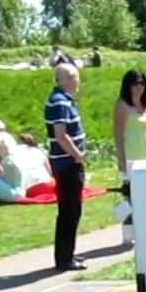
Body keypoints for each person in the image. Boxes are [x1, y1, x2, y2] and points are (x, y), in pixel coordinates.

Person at [46, 63, 87, 271]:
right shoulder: (59, 102)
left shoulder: (64, 100)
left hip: (68, 162)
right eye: (75, 77)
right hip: (67, 163)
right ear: (67, 79)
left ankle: (67, 253)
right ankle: (64, 258)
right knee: (70, 210)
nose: (78, 81)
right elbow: (60, 135)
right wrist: (77, 155)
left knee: (71, 210)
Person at [113, 68, 146, 173]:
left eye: (142, 83)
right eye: (135, 84)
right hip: (134, 151)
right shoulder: (122, 105)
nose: (139, 87)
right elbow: (118, 136)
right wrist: (121, 161)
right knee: (140, 180)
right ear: (128, 85)